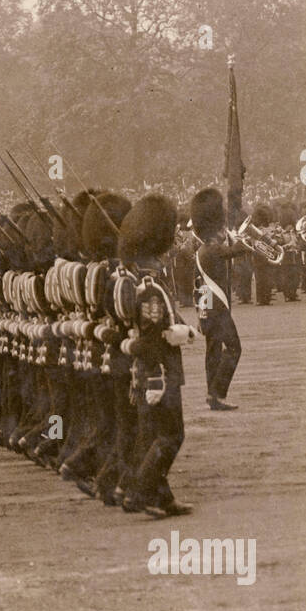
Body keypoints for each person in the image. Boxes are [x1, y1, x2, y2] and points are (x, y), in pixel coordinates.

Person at [118, 194, 194, 517]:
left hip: (149, 368)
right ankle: (140, 492)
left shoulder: (142, 280)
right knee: (171, 435)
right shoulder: (151, 287)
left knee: (150, 436)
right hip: (159, 370)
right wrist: (181, 334)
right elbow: (152, 335)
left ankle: (155, 494)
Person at [190, 188, 246, 411]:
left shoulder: (202, 250)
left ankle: (212, 394)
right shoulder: (212, 249)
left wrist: (200, 314)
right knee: (234, 348)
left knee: (213, 351)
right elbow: (237, 250)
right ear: (215, 229)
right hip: (218, 310)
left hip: (208, 308)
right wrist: (243, 240)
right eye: (222, 227)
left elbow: (197, 287)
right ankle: (218, 392)